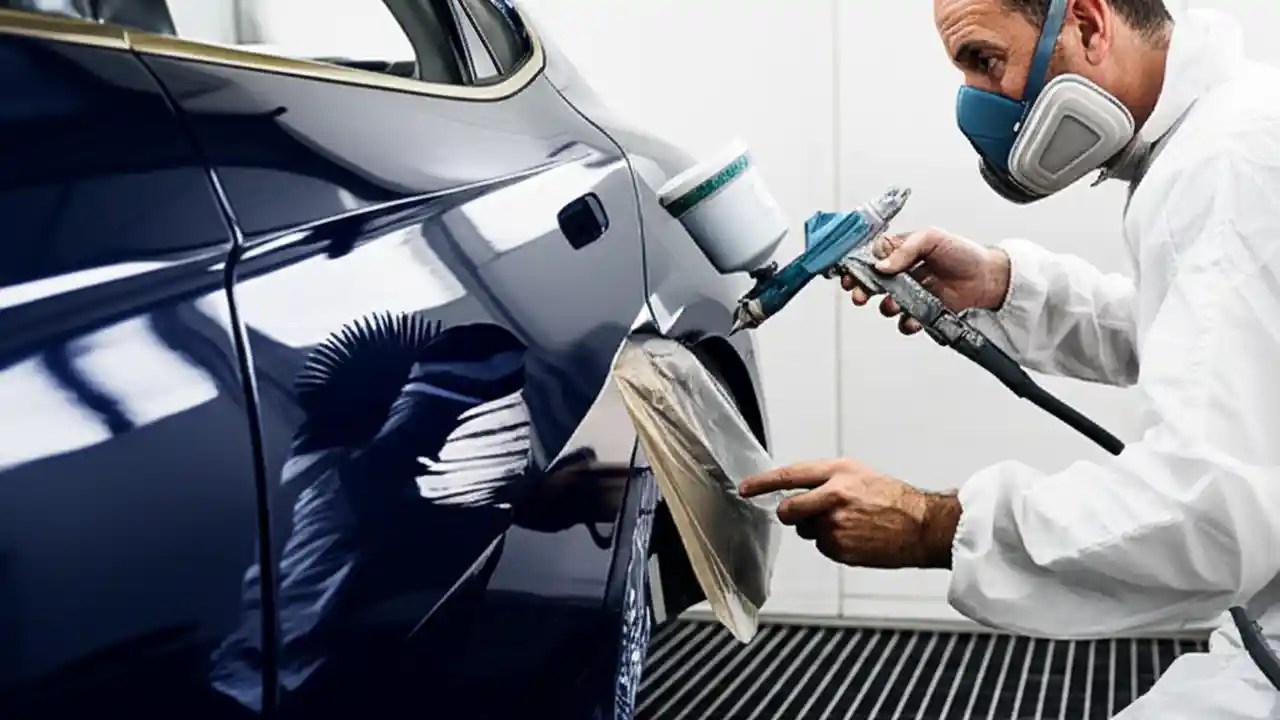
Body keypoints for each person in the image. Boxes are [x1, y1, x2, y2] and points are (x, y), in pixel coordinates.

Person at [739, 0, 1280, 717]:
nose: (977, 102)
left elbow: (1206, 517)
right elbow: (1211, 339)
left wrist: (930, 522)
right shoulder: (1222, 136)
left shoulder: (1228, 167)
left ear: (1087, 24)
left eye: (985, 61)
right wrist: (1001, 287)